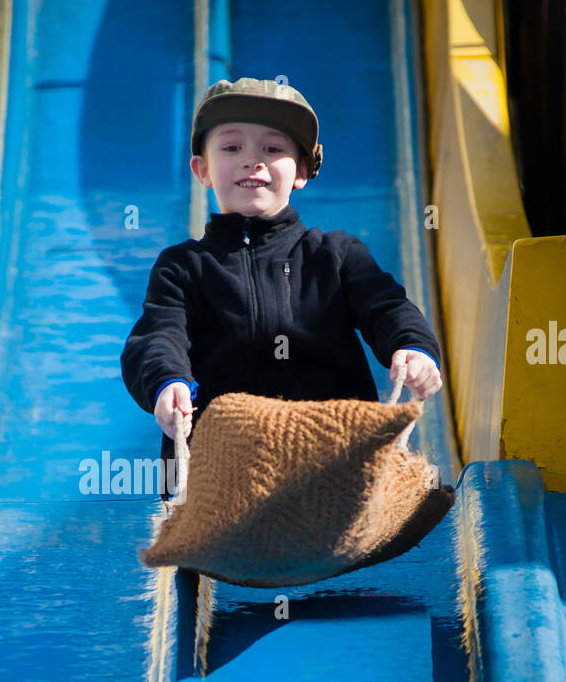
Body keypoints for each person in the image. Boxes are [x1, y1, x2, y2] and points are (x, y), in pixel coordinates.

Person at [120, 78, 443, 494]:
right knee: (215, 550)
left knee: (319, 534)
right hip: (219, 477)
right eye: (232, 148)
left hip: (327, 466)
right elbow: (159, 335)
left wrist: (413, 347)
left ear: (303, 170)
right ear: (201, 169)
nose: (252, 161)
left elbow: (386, 306)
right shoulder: (183, 267)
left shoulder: (336, 255)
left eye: (272, 149)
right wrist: (169, 382)